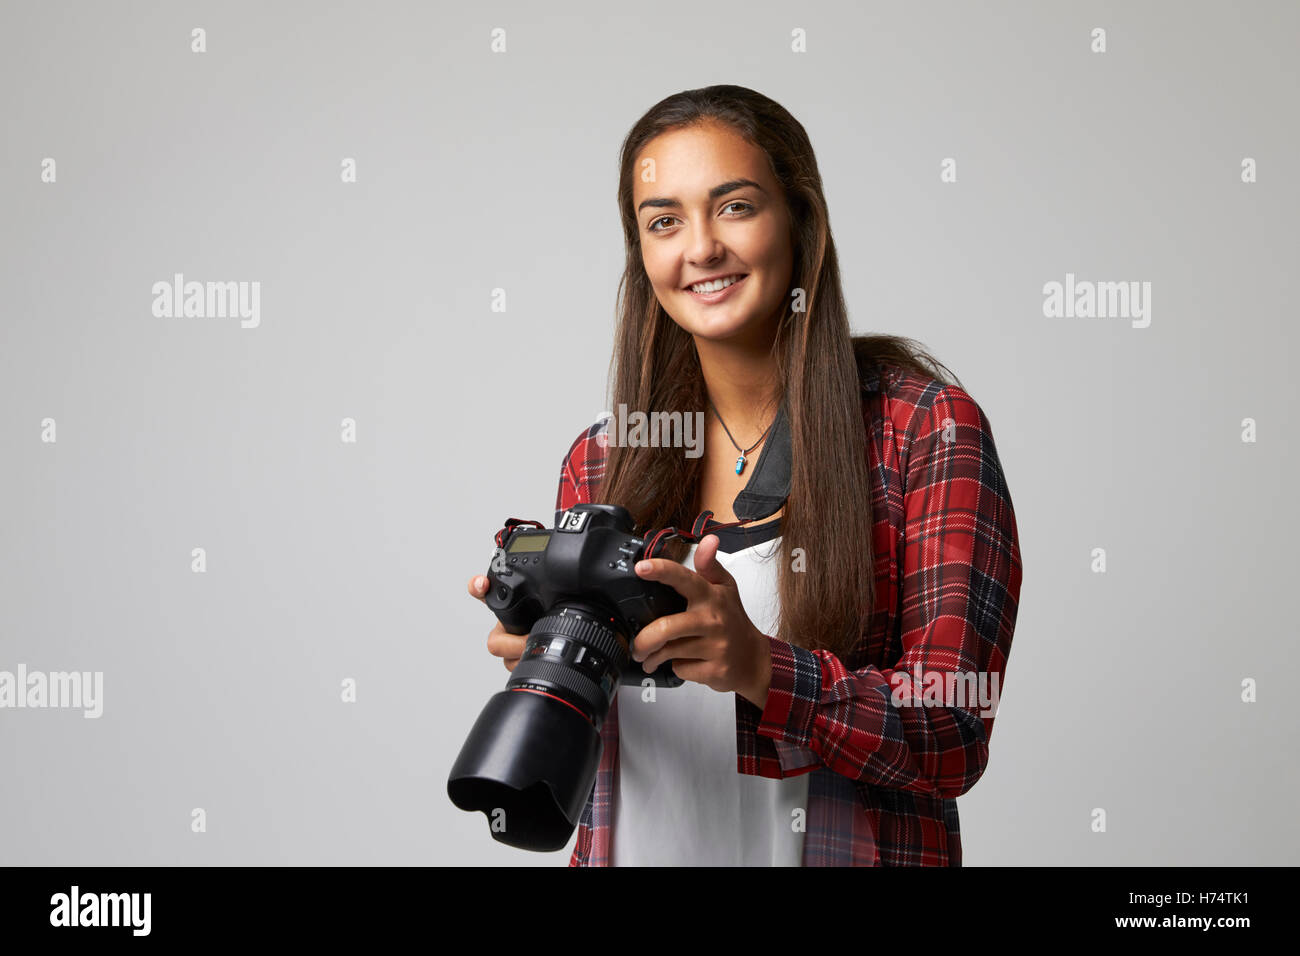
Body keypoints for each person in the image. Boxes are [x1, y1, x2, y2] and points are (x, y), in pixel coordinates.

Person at [466, 84, 1023, 866]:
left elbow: (953, 736)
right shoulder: (601, 459)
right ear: (641, 254)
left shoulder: (921, 431)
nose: (699, 249)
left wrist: (760, 666)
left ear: (799, 222)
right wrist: (552, 650)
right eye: (663, 221)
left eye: (733, 207)